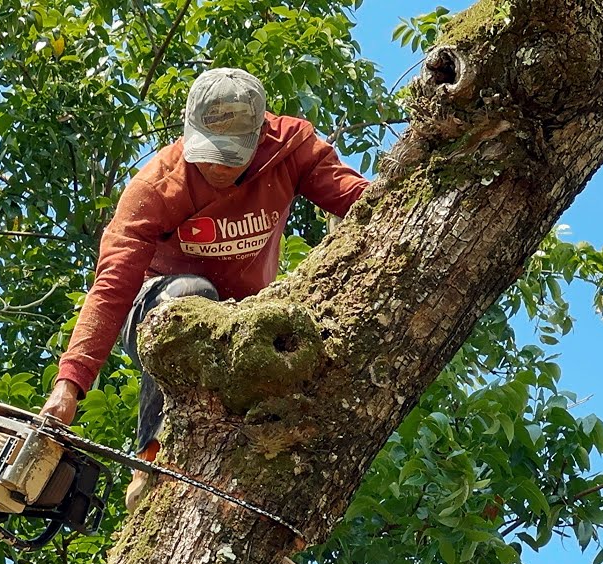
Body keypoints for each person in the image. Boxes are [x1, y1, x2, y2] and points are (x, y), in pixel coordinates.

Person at [39, 67, 370, 510]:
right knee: (192, 301)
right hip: (159, 308)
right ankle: (152, 458)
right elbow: (112, 287)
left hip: (241, 321)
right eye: (208, 153)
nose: (216, 166)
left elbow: (357, 199)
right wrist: (69, 385)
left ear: (258, 136)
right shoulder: (158, 187)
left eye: (230, 155)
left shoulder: (291, 149)